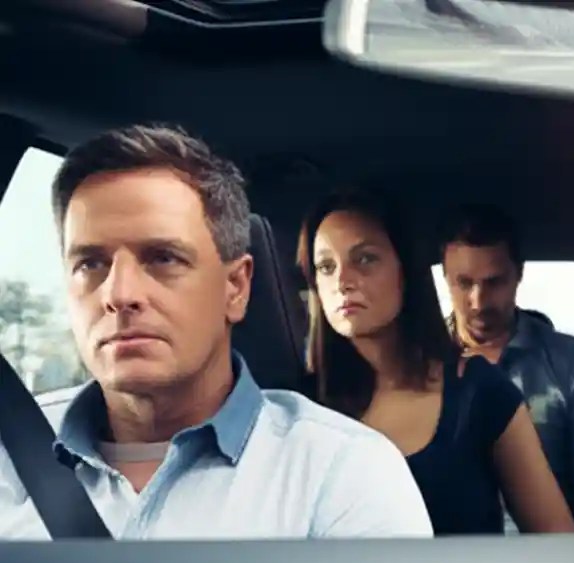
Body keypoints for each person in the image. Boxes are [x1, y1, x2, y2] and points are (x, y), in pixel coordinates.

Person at [0, 123, 434, 539]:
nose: (118, 293)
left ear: (236, 287)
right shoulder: (10, 451)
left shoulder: (343, 473)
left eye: (163, 258)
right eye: (90, 264)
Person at [298, 189, 574, 535]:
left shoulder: (479, 391)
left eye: (365, 259)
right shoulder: (296, 409)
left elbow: (557, 542)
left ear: (406, 271)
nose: (342, 282)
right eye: (326, 266)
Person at [438, 204, 574, 532]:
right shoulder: (418, 363)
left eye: (494, 282)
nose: (478, 302)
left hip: (550, 562)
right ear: (445, 279)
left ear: (519, 275)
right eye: (464, 283)